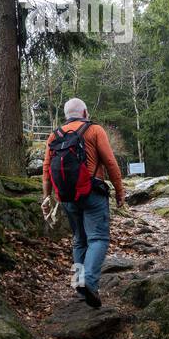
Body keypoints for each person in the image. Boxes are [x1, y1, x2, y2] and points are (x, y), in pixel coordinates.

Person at [42, 97, 125, 308]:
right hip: (93, 192)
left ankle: (79, 284)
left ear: (66, 115)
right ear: (85, 113)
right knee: (98, 238)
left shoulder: (55, 135)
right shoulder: (94, 130)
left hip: (67, 196)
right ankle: (88, 282)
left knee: (80, 240)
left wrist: (47, 196)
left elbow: (46, 169)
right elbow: (110, 162)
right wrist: (119, 191)